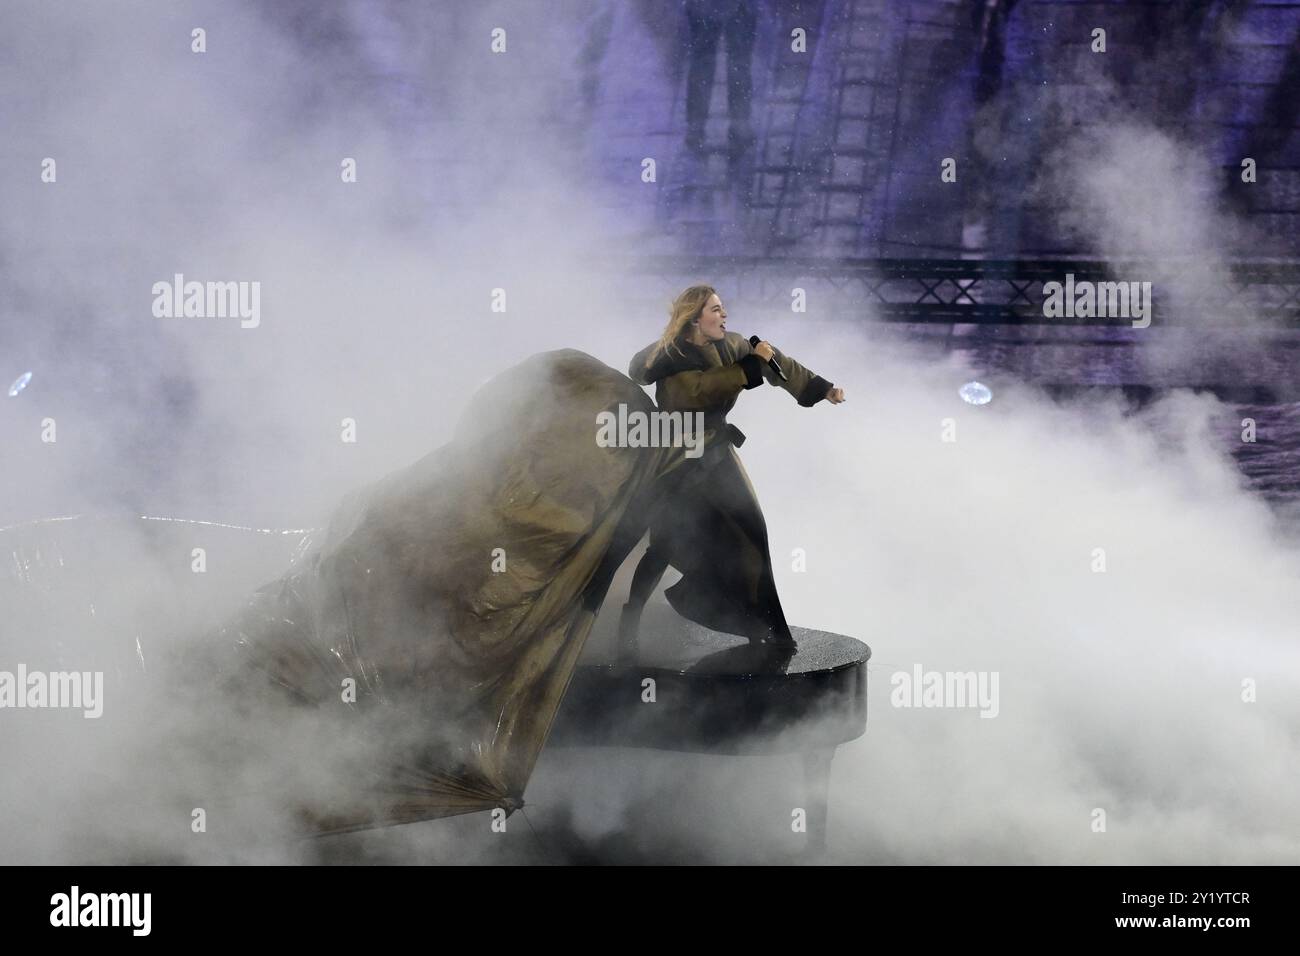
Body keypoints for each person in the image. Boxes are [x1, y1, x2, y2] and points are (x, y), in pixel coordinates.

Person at [619, 284, 845, 661]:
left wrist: (822, 389)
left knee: (752, 531)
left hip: (718, 453)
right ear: (694, 318)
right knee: (665, 544)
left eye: (723, 309)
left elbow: (780, 366)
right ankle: (629, 621)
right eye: (716, 310)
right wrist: (748, 368)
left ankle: (766, 626)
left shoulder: (733, 344)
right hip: (678, 455)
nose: (724, 316)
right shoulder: (670, 358)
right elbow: (699, 392)